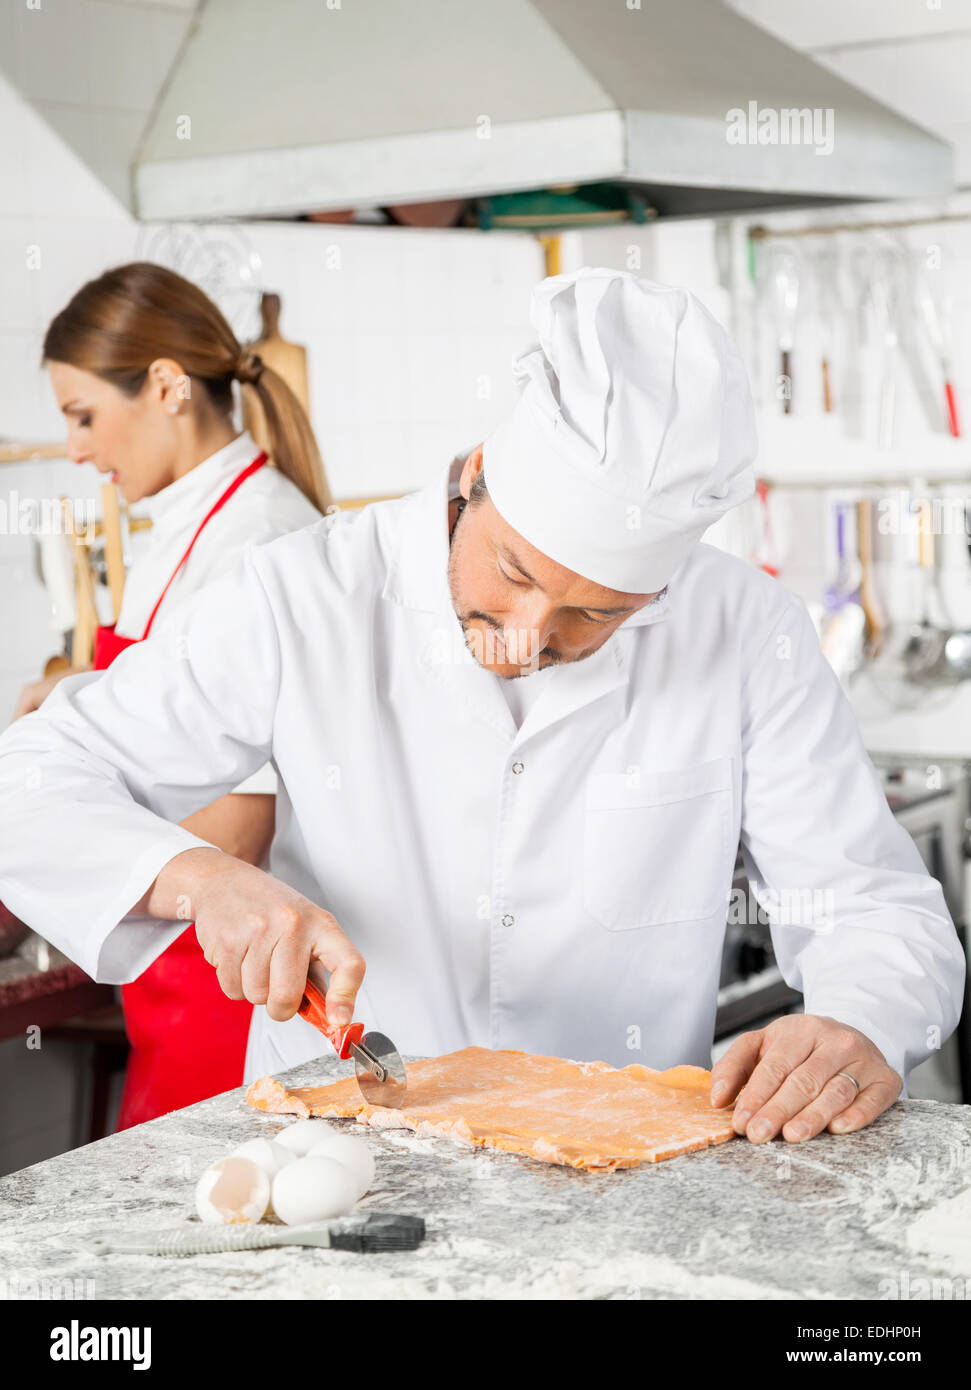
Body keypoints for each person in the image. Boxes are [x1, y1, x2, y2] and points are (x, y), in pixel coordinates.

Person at [0, 268, 963, 1147]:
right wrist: (199, 878)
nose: (528, 634)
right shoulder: (301, 594)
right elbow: (29, 782)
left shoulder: (747, 630)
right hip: (341, 1160)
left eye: (596, 614)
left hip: (625, 1172)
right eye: (510, 572)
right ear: (471, 480)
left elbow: (872, 905)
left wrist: (859, 1019)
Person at [8, 262, 327, 1127]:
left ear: (165, 386)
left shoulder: (257, 541)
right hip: (173, 983)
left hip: (227, 988)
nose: (75, 448)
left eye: (83, 416)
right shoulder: (191, 524)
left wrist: (61, 848)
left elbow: (238, 829)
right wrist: (71, 693)